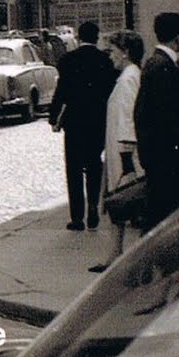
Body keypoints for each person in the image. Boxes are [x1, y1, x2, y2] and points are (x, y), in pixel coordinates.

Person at [135, 12, 179, 227]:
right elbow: (167, 113)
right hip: (165, 155)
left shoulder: (156, 64)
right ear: (177, 36)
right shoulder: (163, 67)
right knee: (163, 213)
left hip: (159, 152)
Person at [48, 21, 119, 231]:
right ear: (97, 38)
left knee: (74, 168)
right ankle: (93, 207)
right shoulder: (105, 61)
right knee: (94, 164)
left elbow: (61, 92)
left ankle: (77, 216)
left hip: (75, 121)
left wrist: (54, 117)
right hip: (97, 120)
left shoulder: (68, 60)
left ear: (78, 38)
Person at [90, 30, 146, 273]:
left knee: (123, 202)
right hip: (120, 151)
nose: (110, 56)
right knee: (119, 205)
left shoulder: (127, 80)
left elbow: (127, 118)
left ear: (125, 53)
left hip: (125, 154)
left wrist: (126, 159)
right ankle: (115, 253)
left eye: (113, 51)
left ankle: (123, 257)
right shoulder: (128, 76)